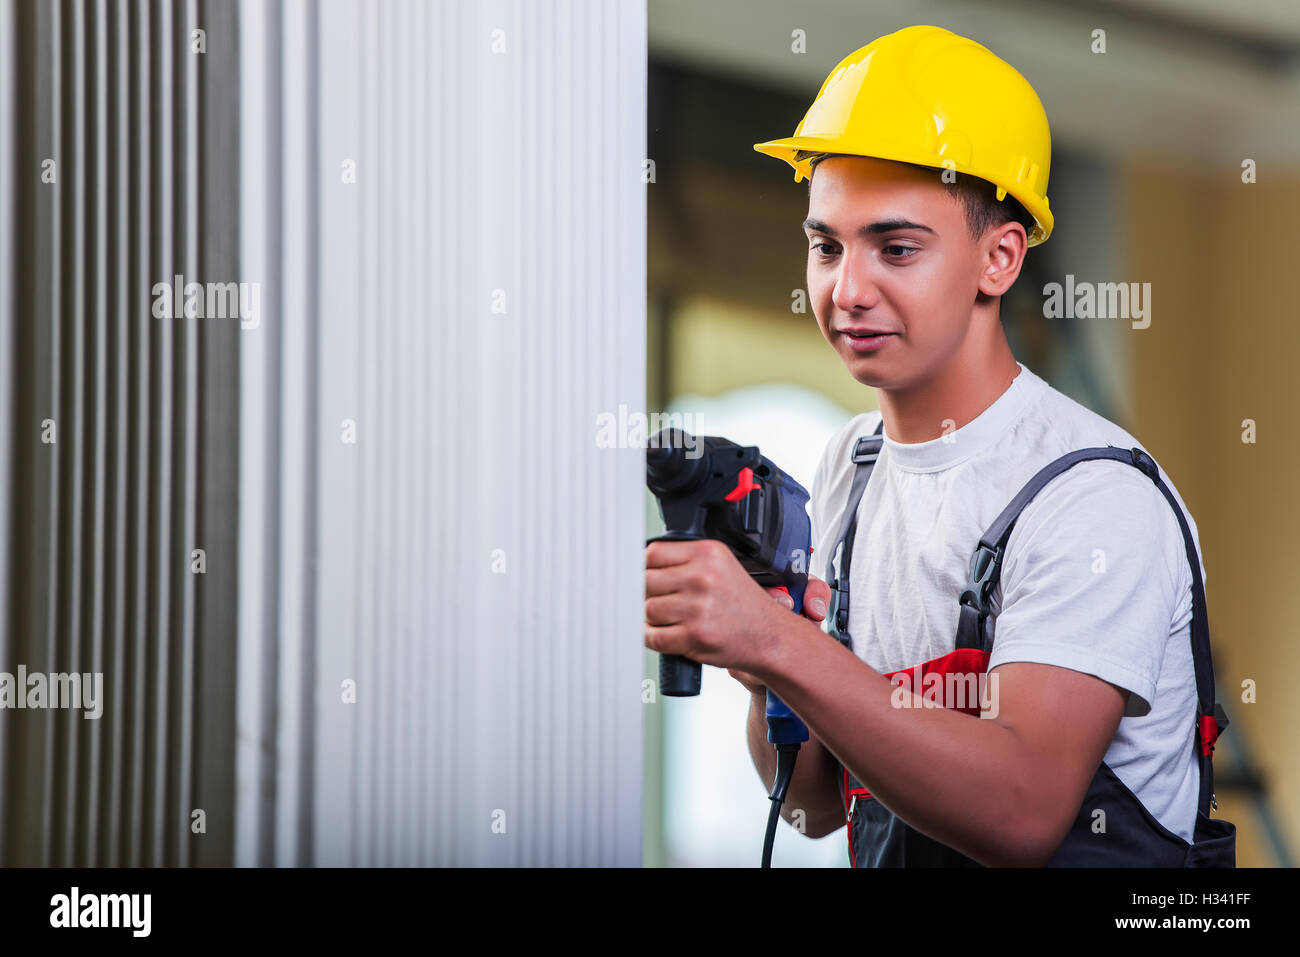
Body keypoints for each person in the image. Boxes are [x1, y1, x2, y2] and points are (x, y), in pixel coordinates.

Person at [643, 25, 1233, 866]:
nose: (846, 289)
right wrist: (764, 664)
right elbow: (812, 806)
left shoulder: (1093, 496)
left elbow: (1023, 811)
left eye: (896, 247)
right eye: (825, 246)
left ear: (999, 258)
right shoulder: (852, 467)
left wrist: (780, 642)